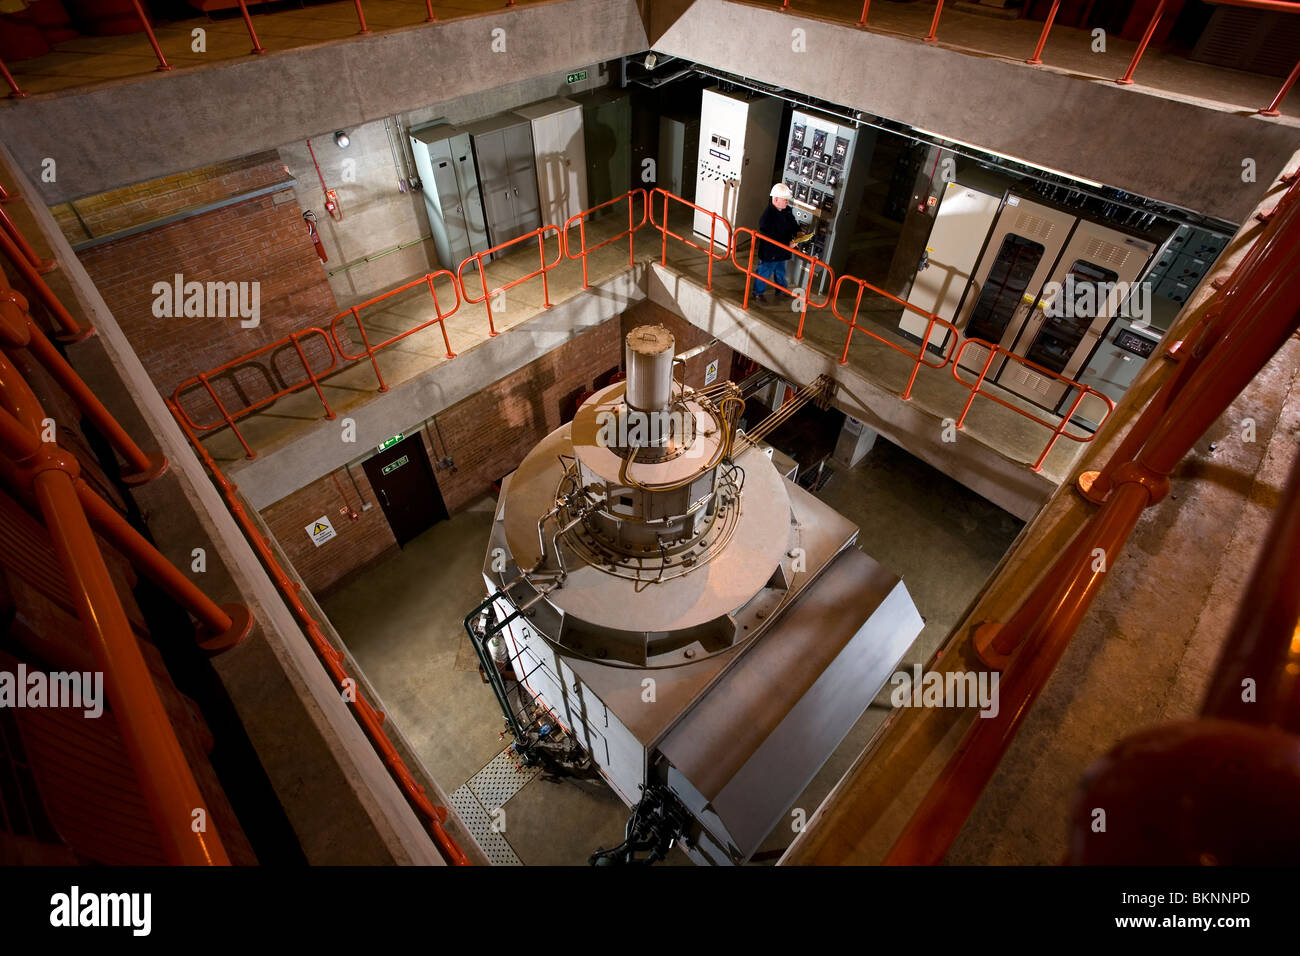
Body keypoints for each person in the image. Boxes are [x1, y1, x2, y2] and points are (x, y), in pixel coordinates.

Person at [753, 183, 801, 303]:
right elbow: (771, 236)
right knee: (764, 272)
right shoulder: (767, 217)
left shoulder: (786, 210)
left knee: (780, 272)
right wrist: (787, 244)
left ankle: (781, 290)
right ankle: (758, 293)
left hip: (782, 251)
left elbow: (792, 223)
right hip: (770, 253)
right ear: (775, 199)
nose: (787, 202)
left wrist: (798, 232)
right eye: (785, 200)